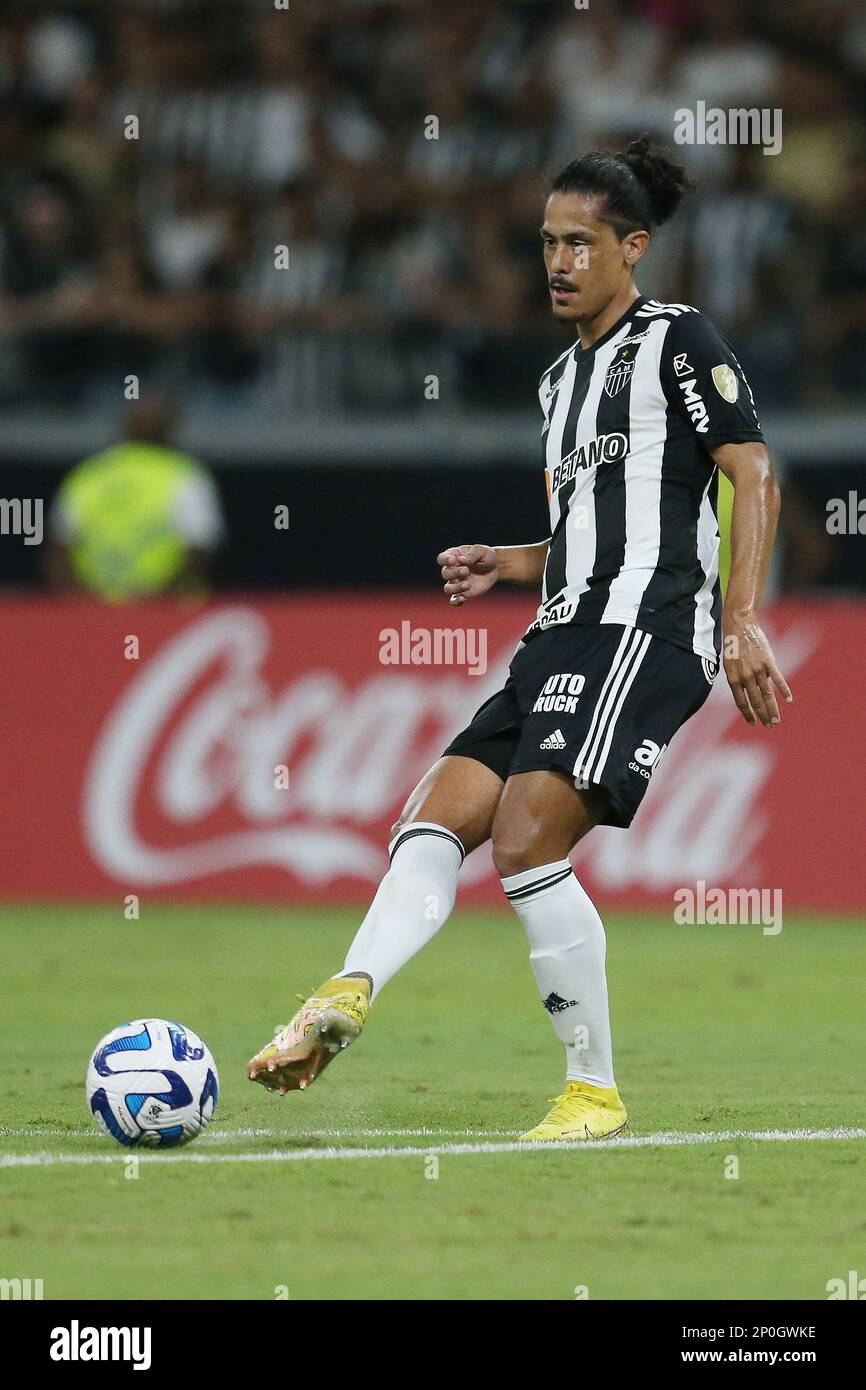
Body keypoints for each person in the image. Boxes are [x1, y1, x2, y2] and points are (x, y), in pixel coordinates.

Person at [247, 136, 792, 1142]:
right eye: (546, 243)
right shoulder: (555, 386)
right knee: (432, 816)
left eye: (580, 243)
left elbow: (750, 472)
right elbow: (588, 527)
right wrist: (511, 559)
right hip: (558, 632)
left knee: (525, 836)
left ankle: (592, 1091)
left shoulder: (678, 340)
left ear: (632, 247)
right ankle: (343, 995)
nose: (558, 263)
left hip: (645, 628)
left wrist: (740, 619)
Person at [46, 395, 225, 602]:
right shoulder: (185, 475)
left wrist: (79, 602)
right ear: (172, 427)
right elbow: (201, 548)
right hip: (157, 611)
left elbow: (59, 548)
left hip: (125, 609)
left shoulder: (91, 474)